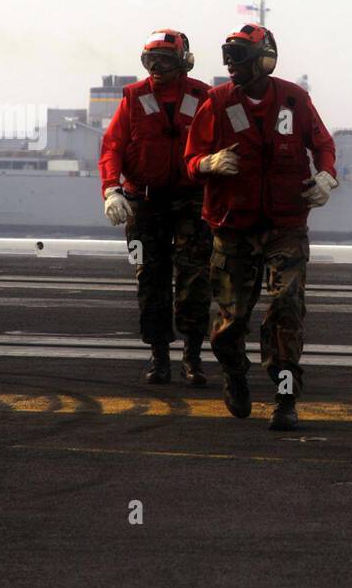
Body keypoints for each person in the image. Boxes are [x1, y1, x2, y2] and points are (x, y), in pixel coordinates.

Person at [184, 24, 337, 431]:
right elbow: (191, 159)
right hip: (232, 226)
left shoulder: (294, 100)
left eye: (239, 58)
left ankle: (285, 398)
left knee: (287, 309)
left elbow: (322, 144)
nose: (231, 66)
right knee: (231, 320)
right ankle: (234, 371)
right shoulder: (217, 103)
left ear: (264, 61)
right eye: (228, 58)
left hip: (285, 224)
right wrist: (208, 163)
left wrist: (326, 175)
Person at [99, 29, 213, 387]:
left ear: (184, 62)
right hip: (144, 203)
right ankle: (159, 356)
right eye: (150, 61)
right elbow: (112, 146)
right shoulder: (134, 98)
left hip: (193, 202)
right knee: (149, 279)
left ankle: (192, 358)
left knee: (196, 280)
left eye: (164, 60)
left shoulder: (204, 98)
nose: (156, 68)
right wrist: (111, 189)